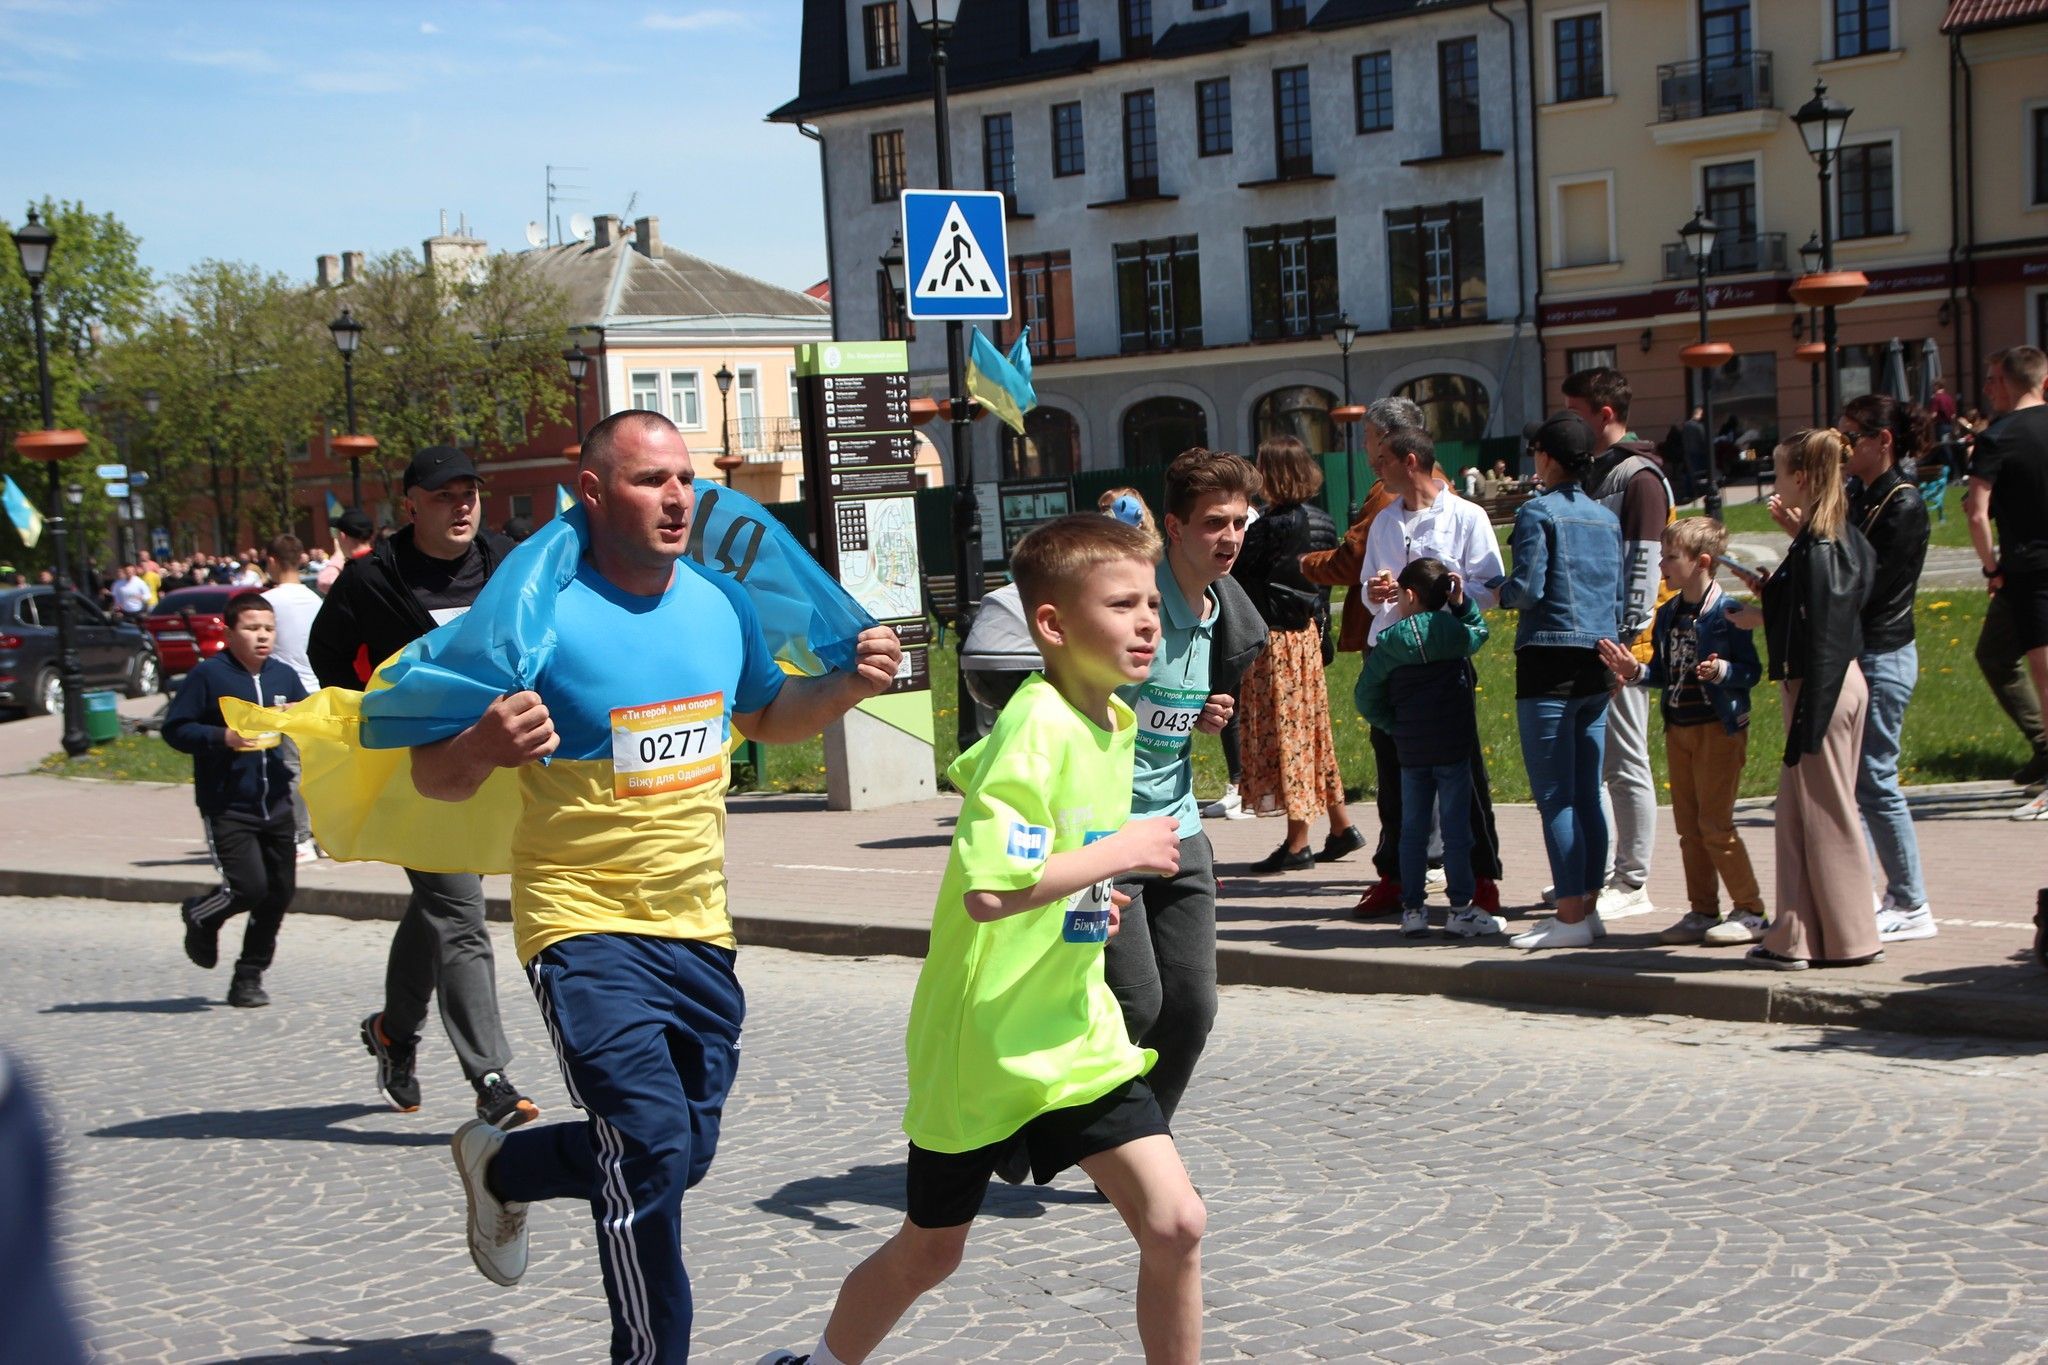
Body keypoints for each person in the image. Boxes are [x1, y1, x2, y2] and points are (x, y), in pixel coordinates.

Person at [425, 409, 903, 1363]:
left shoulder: (719, 603)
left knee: (681, 1153)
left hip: (697, 925)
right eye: (651, 480)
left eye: (685, 478)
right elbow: (435, 774)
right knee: (646, 1145)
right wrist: (481, 743)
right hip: (579, 921)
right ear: (592, 493)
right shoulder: (538, 615)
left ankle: (506, 1165)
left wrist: (848, 685)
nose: (678, 498)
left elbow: (767, 713)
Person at [757, 515, 1204, 1365]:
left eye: (1152, 602)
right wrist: (1120, 851)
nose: (1148, 620)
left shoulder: (1113, 722)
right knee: (931, 1251)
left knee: (1177, 1222)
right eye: (1122, 604)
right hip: (984, 1045)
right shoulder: (1034, 730)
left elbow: (1051, 863)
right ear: (1053, 625)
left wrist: (1090, 903)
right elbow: (992, 889)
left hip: (1074, 1032)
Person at [308, 446, 537, 1129]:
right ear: (411, 505)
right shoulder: (372, 577)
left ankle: (392, 1030)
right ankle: (490, 1076)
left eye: (470, 493)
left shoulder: (507, 561)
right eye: (444, 496)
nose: (461, 506)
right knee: (460, 913)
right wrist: (376, 722)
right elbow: (327, 656)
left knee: (438, 906)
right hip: (420, 773)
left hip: (497, 767)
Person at [1108, 447, 1262, 1130]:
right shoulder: (1132, 605)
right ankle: (1038, 1124)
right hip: (1111, 836)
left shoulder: (1220, 610)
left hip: (1180, 829)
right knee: (1136, 1005)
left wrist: (1199, 713)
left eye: (1239, 522)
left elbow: (1160, 708)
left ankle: (1140, 1146)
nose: (1230, 537)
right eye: (1213, 523)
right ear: (1173, 526)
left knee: (1193, 1007)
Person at [1729, 429, 1882, 969]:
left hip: (1823, 684)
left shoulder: (1820, 544)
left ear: (1800, 477)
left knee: (1827, 815)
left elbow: (1826, 629)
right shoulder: (1831, 535)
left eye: (1778, 472)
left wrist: (1809, 715)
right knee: (1797, 818)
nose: (1775, 482)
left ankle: (1851, 938)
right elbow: (1829, 604)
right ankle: (1794, 938)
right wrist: (1774, 597)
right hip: (1829, 681)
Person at [1352, 426, 1507, 918]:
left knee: (1465, 773)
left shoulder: (1465, 515)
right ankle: (1398, 877)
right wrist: (1375, 594)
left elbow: (1491, 587)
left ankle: (1480, 878)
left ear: (1411, 461)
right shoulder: (1384, 521)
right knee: (1394, 773)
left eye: (1383, 459)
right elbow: (1368, 587)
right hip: (1393, 658)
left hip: (1443, 660)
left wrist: (1447, 596)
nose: (1375, 467)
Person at [1597, 518, 1767, 947]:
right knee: (1689, 828)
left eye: (1671, 557)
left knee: (1715, 824)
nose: (1662, 566)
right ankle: (1702, 911)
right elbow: (1663, 672)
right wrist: (1635, 671)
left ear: (1702, 562)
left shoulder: (1727, 613)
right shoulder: (1669, 613)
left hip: (1718, 730)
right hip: (1680, 729)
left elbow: (1751, 671)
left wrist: (1723, 670)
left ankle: (1750, 911)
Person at [1492, 414, 1624, 949]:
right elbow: (1617, 597)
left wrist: (1493, 589)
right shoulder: (1606, 518)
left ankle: (1569, 917)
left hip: (1548, 662)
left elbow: (1526, 589)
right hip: (1598, 659)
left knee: (1556, 796)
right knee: (1588, 792)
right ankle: (1587, 909)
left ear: (1545, 456)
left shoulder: (1537, 512)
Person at [161, 592, 309, 1007]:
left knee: (279, 892)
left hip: (276, 799)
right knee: (248, 888)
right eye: (251, 628)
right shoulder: (209, 675)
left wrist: (301, 716)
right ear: (229, 633)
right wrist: (221, 737)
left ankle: (248, 977)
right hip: (228, 803)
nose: (262, 636)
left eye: (268, 629)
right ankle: (200, 914)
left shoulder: (283, 675)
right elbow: (175, 729)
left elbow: (306, 720)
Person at [1562, 366, 1673, 921]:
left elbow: (1643, 567)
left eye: (1576, 414)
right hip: (1591, 637)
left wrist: (1626, 645)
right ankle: (1599, 873)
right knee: (1596, 762)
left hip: (1625, 648)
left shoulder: (1639, 478)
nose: (1568, 425)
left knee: (1626, 762)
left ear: (1605, 415)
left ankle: (1633, 880)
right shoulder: (1595, 472)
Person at [1353, 558, 1502, 940]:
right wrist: (1461, 604)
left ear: (1410, 595)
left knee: (1413, 830)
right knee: (1456, 831)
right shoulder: (1453, 633)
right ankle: (1459, 909)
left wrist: (1394, 726)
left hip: (1411, 753)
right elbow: (1479, 631)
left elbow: (1365, 695)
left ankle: (1413, 910)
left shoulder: (1391, 641)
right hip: (1453, 748)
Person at [1230, 436, 1358, 870]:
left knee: (1287, 737)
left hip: (1276, 640)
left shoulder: (1272, 526)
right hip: (1307, 635)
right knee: (1313, 734)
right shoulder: (1321, 518)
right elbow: (1323, 585)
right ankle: (1340, 826)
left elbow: (1238, 575)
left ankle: (1298, 842)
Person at [1840, 395, 1937, 933]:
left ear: (1884, 441)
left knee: (1876, 779)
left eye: (1851, 436)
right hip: (1861, 649)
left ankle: (1910, 903)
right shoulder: (1858, 493)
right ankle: (1882, 897)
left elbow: (1869, 584)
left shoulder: (1903, 504)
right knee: (1861, 781)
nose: (1843, 446)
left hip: (1884, 651)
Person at [1963, 346, 2048, 812]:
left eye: (1993, 379)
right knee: (1996, 652)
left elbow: (1976, 514)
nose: (1987, 388)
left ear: (2008, 381)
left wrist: (1991, 568)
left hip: (2027, 571)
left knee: (2044, 675)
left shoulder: (1997, 437)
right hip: (2026, 573)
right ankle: (2043, 748)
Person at [262, 534, 324, 863]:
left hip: (286, 695)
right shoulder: (316, 599)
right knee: (319, 767)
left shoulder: (267, 603)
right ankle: (324, 835)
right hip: (318, 691)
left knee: (291, 767)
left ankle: (301, 837)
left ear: (272, 560)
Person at [317, 507, 375, 595]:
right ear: (371, 536)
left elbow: (324, 583)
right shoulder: (385, 561)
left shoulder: (352, 572)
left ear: (342, 536)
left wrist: (338, 555)